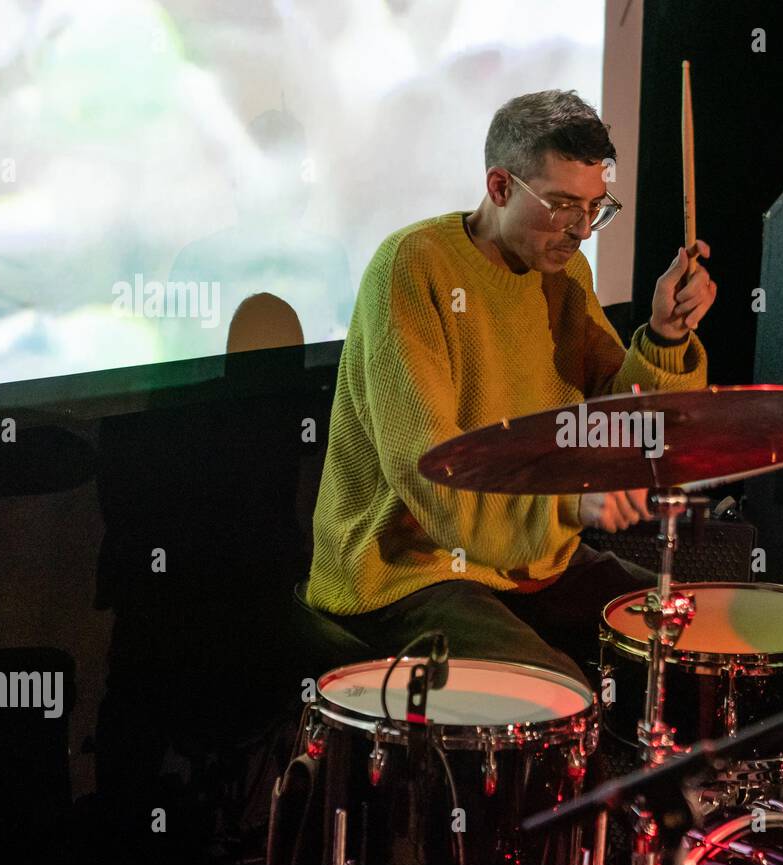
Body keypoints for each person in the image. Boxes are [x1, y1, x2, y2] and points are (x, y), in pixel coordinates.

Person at [305, 89, 717, 686]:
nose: (580, 231)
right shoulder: (412, 267)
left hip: (526, 561)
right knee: (555, 693)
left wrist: (665, 334)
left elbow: (619, 421)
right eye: (562, 206)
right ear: (499, 187)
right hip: (409, 574)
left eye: (596, 208)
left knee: (694, 631)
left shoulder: (564, 270)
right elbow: (435, 475)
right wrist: (570, 502)